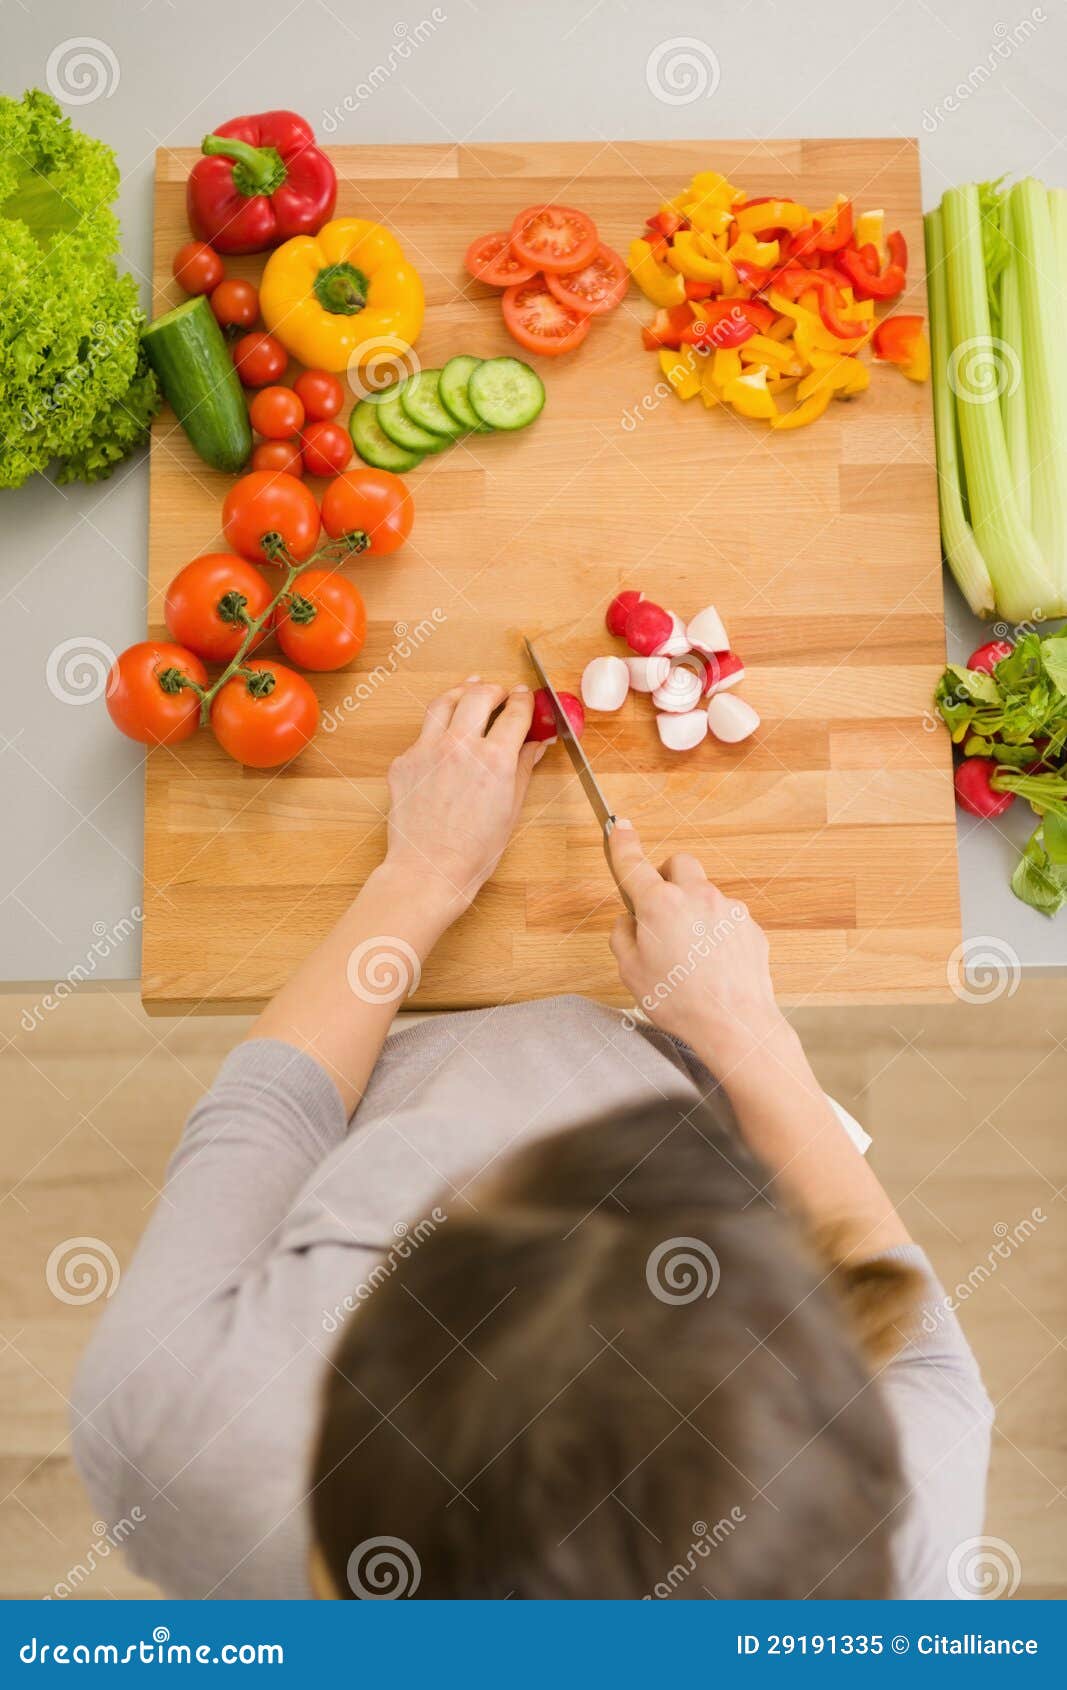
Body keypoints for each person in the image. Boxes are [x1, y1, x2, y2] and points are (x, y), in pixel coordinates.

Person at [72, 678, 993, 1600]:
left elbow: (273, 1107)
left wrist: (421, 876)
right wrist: (745, 1034)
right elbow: (923, 1357)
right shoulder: (882, 1545)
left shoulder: (178, 1436)